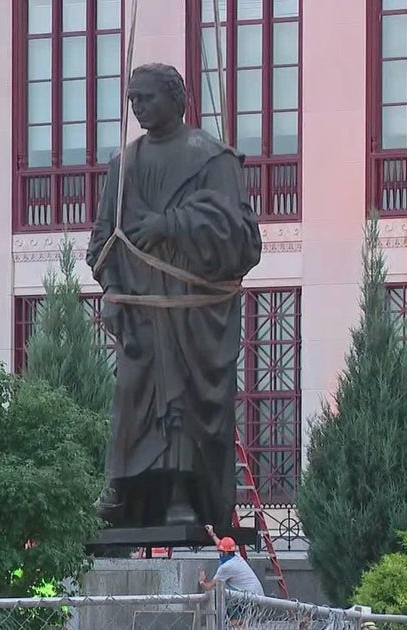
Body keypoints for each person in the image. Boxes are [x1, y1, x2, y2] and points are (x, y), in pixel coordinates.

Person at [88, 62, 263, 530]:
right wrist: (114, 290)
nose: (137, 107)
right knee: (130, 399)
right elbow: (101, 241)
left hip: (192, 314)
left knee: (183, 401)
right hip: (142, 313)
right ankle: (124, 494)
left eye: (145, 97)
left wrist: (171, 224)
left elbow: (242, 238)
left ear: (174, 97)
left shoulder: (211, 157)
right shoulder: (123, 166)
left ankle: (185, 494)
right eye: (131, 99)